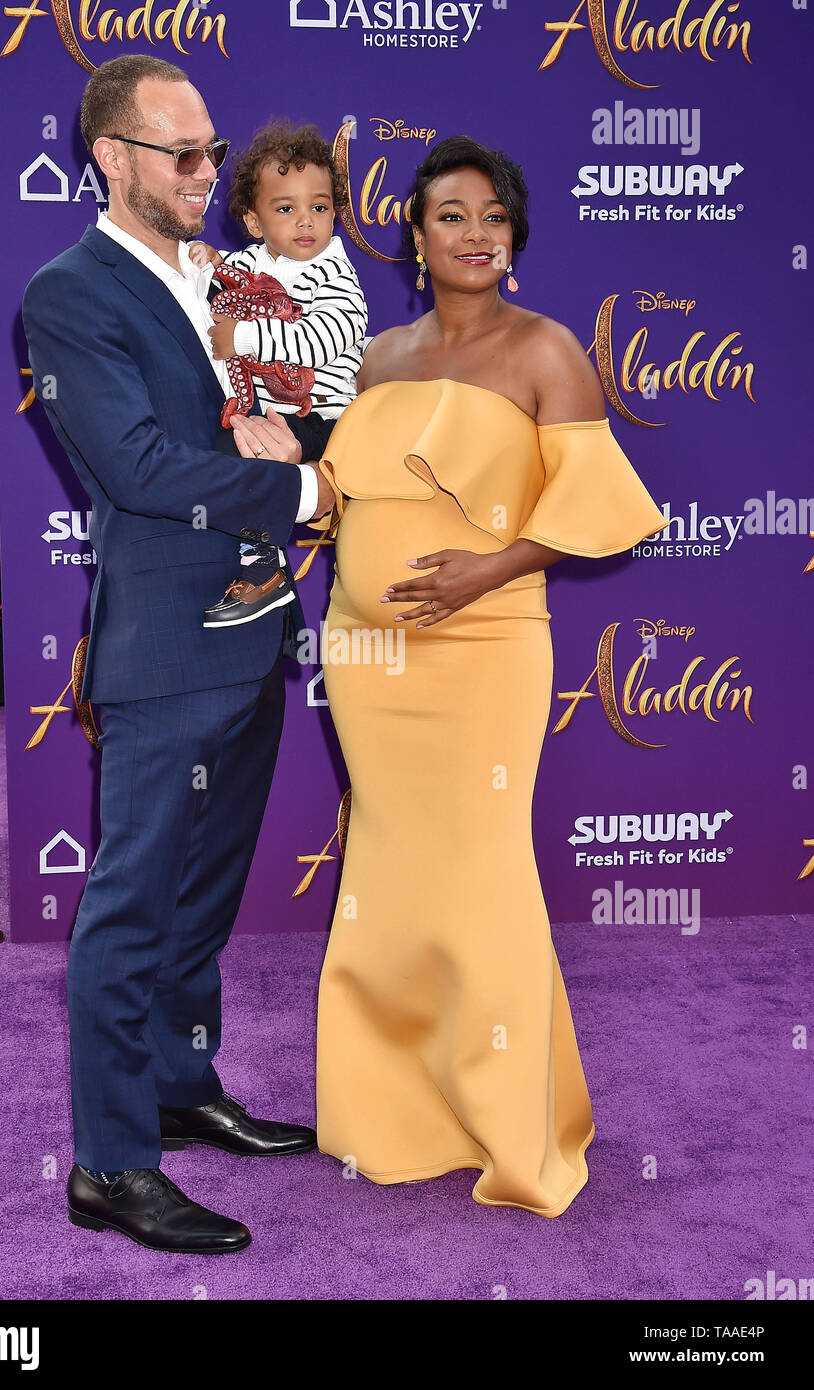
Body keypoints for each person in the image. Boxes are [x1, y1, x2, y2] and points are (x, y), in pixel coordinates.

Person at [314, 136, 668, 1216]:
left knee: (480, 876)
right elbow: (341, 497)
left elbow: (596, 506)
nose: (473, 234)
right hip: (365, 654)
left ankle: (519, 1130)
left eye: (493, 219)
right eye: (450, 216)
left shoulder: (546, 351)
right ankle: (398, 1121)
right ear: (412, 238)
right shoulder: (377, 357)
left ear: (513, 242)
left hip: (487, 648)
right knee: (387, 877)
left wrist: (488, 569)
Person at [22, 54, 334, 1255]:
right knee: (133, 906)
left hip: (256, 633)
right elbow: (138, 470)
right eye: (185, 155)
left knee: (200, 897)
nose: (212, 173)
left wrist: (306, 432)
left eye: (213, 151)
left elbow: (271, 411)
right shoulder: (71, 293)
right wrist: (300, 482)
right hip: (164, 647)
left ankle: (175, 1082)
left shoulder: (222, 282)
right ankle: (108, 1160)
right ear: (112, 157)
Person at [190, 120, 367, 629]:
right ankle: (256, 562)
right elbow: (222, 292)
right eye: (285, 209)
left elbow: (323, 338)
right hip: (272, 412)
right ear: (253, 220)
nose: (306, 222)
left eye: (319, 207)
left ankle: (265, 567)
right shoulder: (251, 262)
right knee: (229, 450)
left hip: (325, 418)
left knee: (254, 464)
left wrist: (241, 339)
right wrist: (204, 262)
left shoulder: (334, 272)